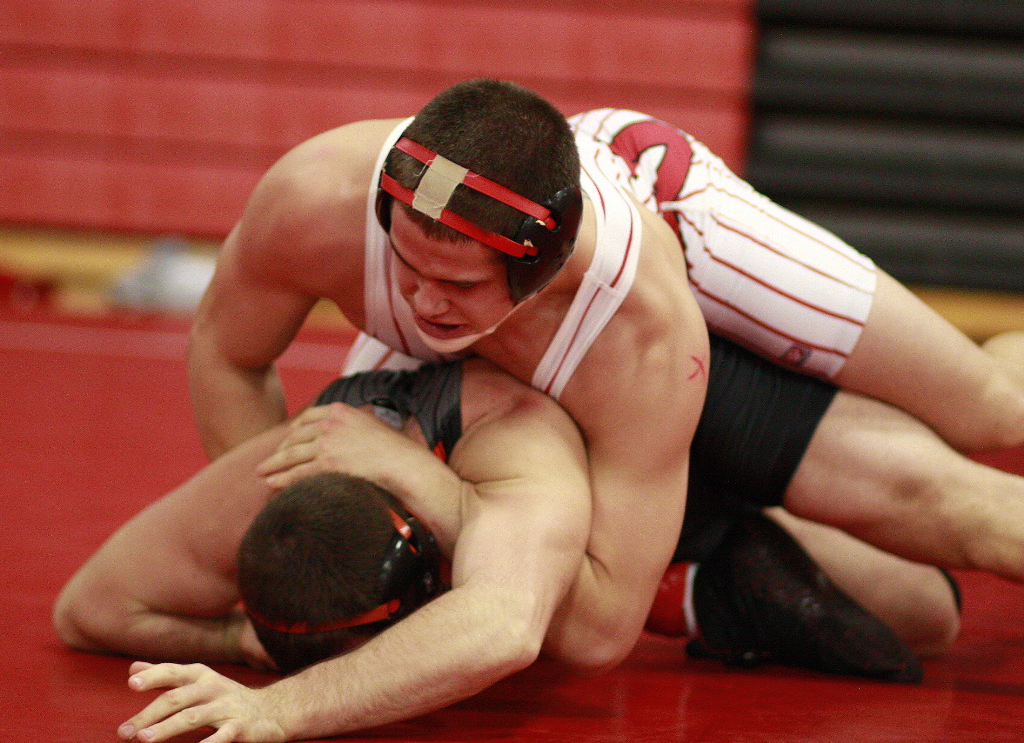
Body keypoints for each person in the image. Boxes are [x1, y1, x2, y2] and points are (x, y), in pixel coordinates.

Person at [185, 78, 1024, 676]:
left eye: (459, 285)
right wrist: (296, 530)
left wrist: (420, 481)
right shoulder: (315, 202)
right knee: (926, 613)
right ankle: (707, 561)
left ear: (539, 271)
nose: (423, 303)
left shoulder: (643, 333)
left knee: (994, 413)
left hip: (686, 236)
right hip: (554, 364)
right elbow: (229, 353)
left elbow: (596, 637)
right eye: (406, 266)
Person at [55, 346, 960, 743]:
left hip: (680, 416)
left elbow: (516, 630)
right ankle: (695, 582)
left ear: (425, 576)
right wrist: (233, 644)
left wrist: (279, 708)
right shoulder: (283, 468)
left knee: (931, 606)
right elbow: (90, 607)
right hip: (544, 518)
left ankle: (713, 539)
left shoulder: (513, 439)